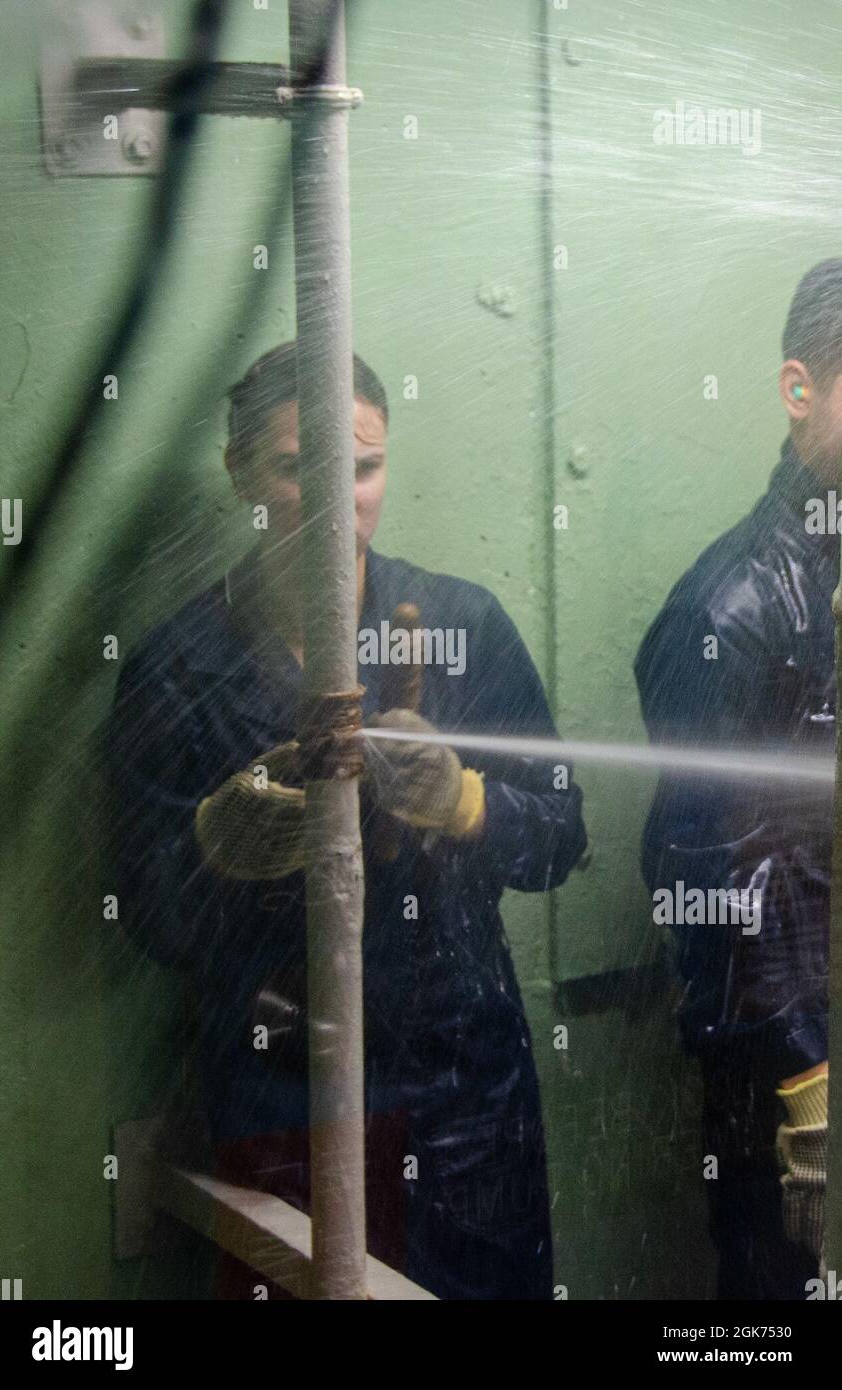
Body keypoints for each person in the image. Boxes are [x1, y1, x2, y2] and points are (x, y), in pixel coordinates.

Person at [108, 341, 587, 1300]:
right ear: (241, 469)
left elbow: (561, 837)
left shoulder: (462, 625)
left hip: (465, 1098)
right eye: (299, 470)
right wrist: (216, 843)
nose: (339, 501)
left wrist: (465, 801)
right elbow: (143, 918)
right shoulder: (176, 665)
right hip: (287, 1093)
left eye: (363, 469)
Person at [634, 260, 841, 1300]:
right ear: (798, 390)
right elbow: (703, 867)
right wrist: (803, 1078)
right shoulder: (724, 609)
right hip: (780, 1071)